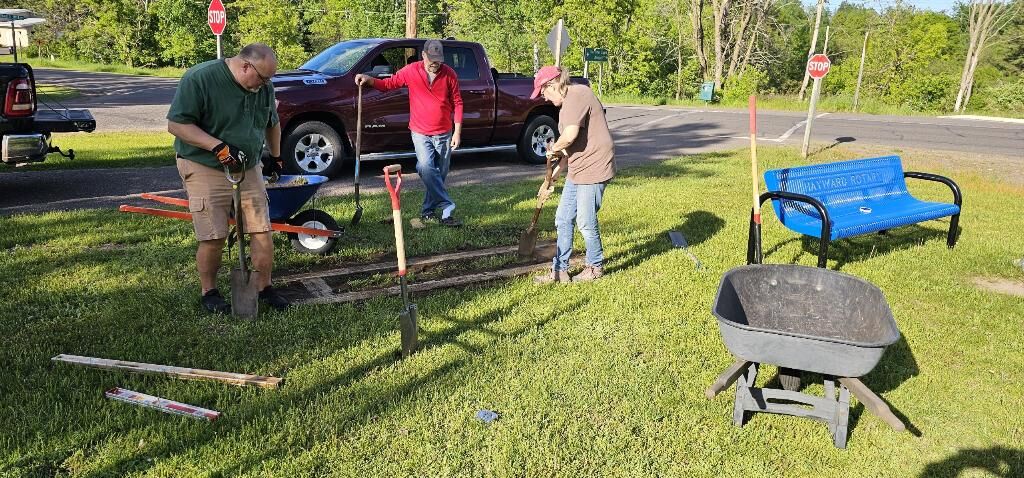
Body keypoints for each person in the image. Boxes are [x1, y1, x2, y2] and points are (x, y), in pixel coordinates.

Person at [166, 43, 290, 314]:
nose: (265, 85)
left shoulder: (263, 87)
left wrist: (277, 156)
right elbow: (176, 124)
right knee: (214, 234)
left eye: (269, 80)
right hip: (204, 164)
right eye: (262, 78)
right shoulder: (200, 78)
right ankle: (209, 291)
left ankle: (263, 286)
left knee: (262, 230)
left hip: (248, 166)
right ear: (246, 66)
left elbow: (272, 122)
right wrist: (217, 147)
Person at [354, 39, 464, 227]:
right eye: (431, 59)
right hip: (420, 131)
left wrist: (457, 132)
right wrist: (370, 80)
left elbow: (458, 103)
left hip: (444, 132)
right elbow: (389, 84)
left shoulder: (449, 74)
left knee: (439, 174)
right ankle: (447, 205)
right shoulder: (411, 71)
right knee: (425, 167)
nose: (435, 63)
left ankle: (428, 212)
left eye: (438, 60)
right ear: (423, 56)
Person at [531, 66, 616, 284]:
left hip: (595, 165)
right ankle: (559, 270)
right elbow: (570, 148)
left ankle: (595, 267)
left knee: (586, 221)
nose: (544, 98)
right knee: (563, 218)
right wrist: (555, 174)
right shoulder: (567, 104)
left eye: (543, 93)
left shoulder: (577, 95)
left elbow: (568, 137)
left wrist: (552, 149)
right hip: (579, 167)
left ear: (551, 85)